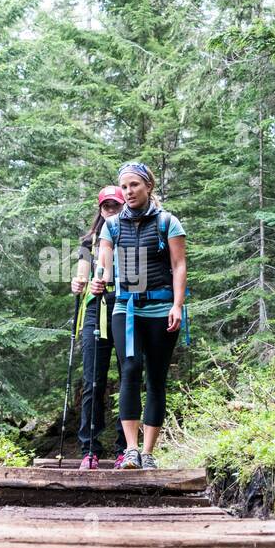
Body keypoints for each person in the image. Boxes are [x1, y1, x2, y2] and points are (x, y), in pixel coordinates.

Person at [91, 162, 187, 470]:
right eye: (125, 186)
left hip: (161, 308)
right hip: (126, 308)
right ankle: (130, 450)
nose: (129, 191)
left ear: (148, 187)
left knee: (156, 377)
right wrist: (99, 277)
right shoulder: (113, 225)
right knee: (130, 370)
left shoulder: (167, 222)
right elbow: (104, 260)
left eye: (135, 185)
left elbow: (179, 265)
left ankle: (148, 452)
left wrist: (177, 305)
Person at [70, 186, 128, 470]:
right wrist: (78, 283)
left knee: (127, 376)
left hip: (126, 306)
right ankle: (89, 450)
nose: (110, 210)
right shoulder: (88, 241)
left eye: (114, 205)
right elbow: (82, 274)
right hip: (96, 308)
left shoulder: (130, 234)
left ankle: (124, 449)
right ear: (100, 209)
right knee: (93, 380)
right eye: (106, 206)